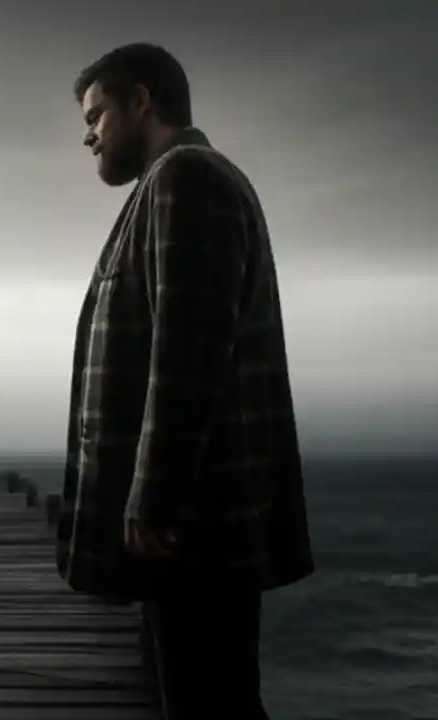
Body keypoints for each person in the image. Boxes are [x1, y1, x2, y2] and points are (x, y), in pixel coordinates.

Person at [55, 42, 315, 719]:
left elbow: (187, 351)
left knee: (209, 704)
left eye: (97, 114)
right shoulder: (174, 185)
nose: (88, 135)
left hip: (194, 524)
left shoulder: (186, 181)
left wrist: (155, 497)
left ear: (143, 101)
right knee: (204, 696)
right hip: (198, 517)